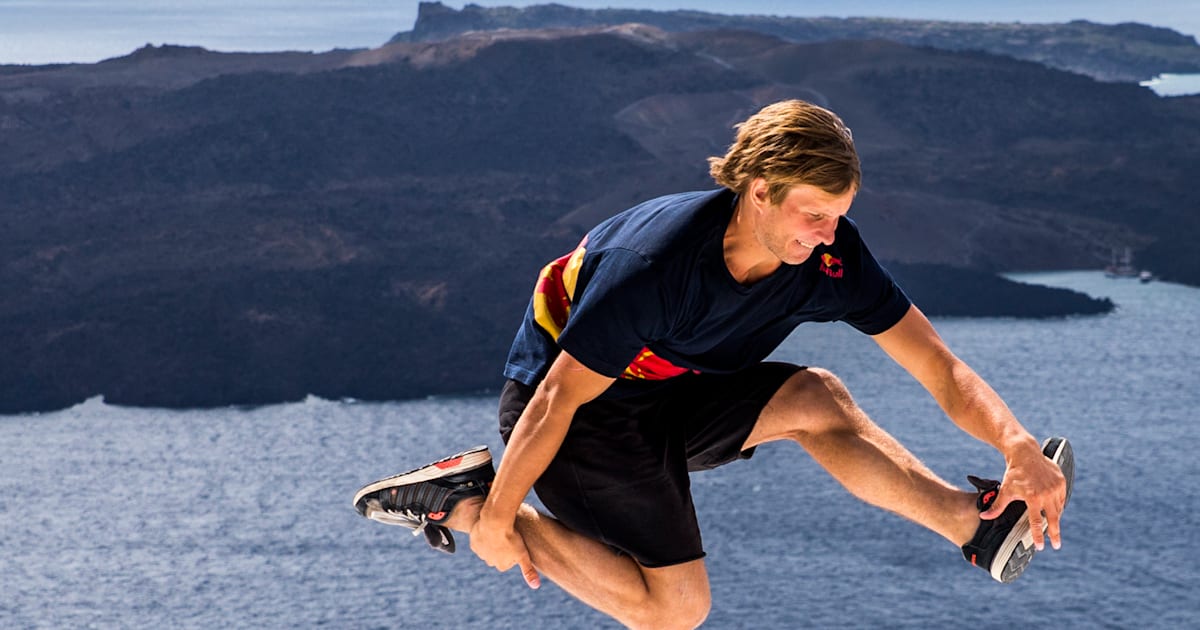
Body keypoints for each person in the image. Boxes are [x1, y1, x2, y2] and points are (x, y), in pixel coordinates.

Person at [353, 99, 1074, 628]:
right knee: (675, 610)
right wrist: (501, 523)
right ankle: (470, 501)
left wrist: (1014, 444)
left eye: (840, 214)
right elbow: (552, 404)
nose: (831, 234)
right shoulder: (655, 267)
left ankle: (973, 527)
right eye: (815, 214)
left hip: (670, 395)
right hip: (576, 417)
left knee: (816, 397)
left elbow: (939, 367)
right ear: (759, 191)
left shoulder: (829, 257)